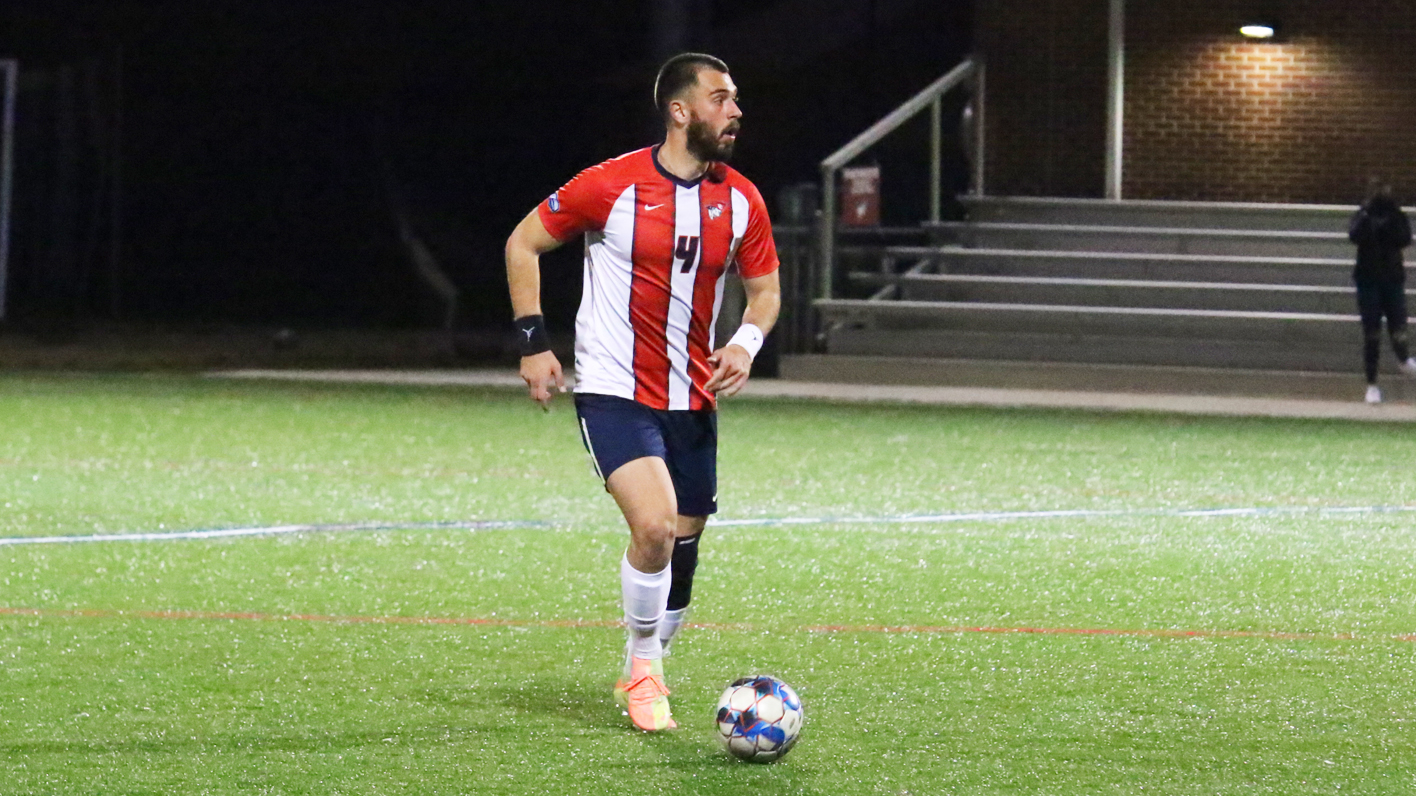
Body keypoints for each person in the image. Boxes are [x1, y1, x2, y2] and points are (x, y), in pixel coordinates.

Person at [503, 53, 781, 732]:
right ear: (680, 112)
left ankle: (648, 656)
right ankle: (644, 667)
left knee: (683, 548)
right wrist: (534, 343)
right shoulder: (611, 185)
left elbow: (766, 292)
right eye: (720, 99)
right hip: (613, 388)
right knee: (653, 527)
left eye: (736, 99)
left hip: (693, 394)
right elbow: (523, 243)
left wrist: (744, 344)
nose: (735, 111)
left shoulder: (741, 199)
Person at [1349, 179, 1416, 403]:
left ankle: (1403, 358)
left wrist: (1391, 220)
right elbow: (1354, 235)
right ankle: (1372, 384)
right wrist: (1367, 215)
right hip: (1368, 281)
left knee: (1398, 324)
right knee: (1372, 333)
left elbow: (1405, 238)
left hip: (1392, 280)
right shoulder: (1363, 214)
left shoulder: (1396, 215)